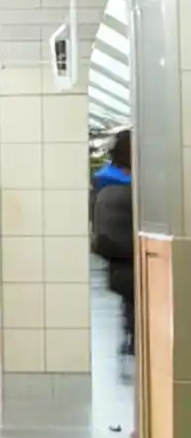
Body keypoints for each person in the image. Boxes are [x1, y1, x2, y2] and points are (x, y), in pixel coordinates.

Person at [91, 129, 134, 355]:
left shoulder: (102, 179)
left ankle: (131, 334)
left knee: (129, 300)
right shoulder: (138, 185)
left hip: (114, 255)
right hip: (135, 255)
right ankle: (135, 338)